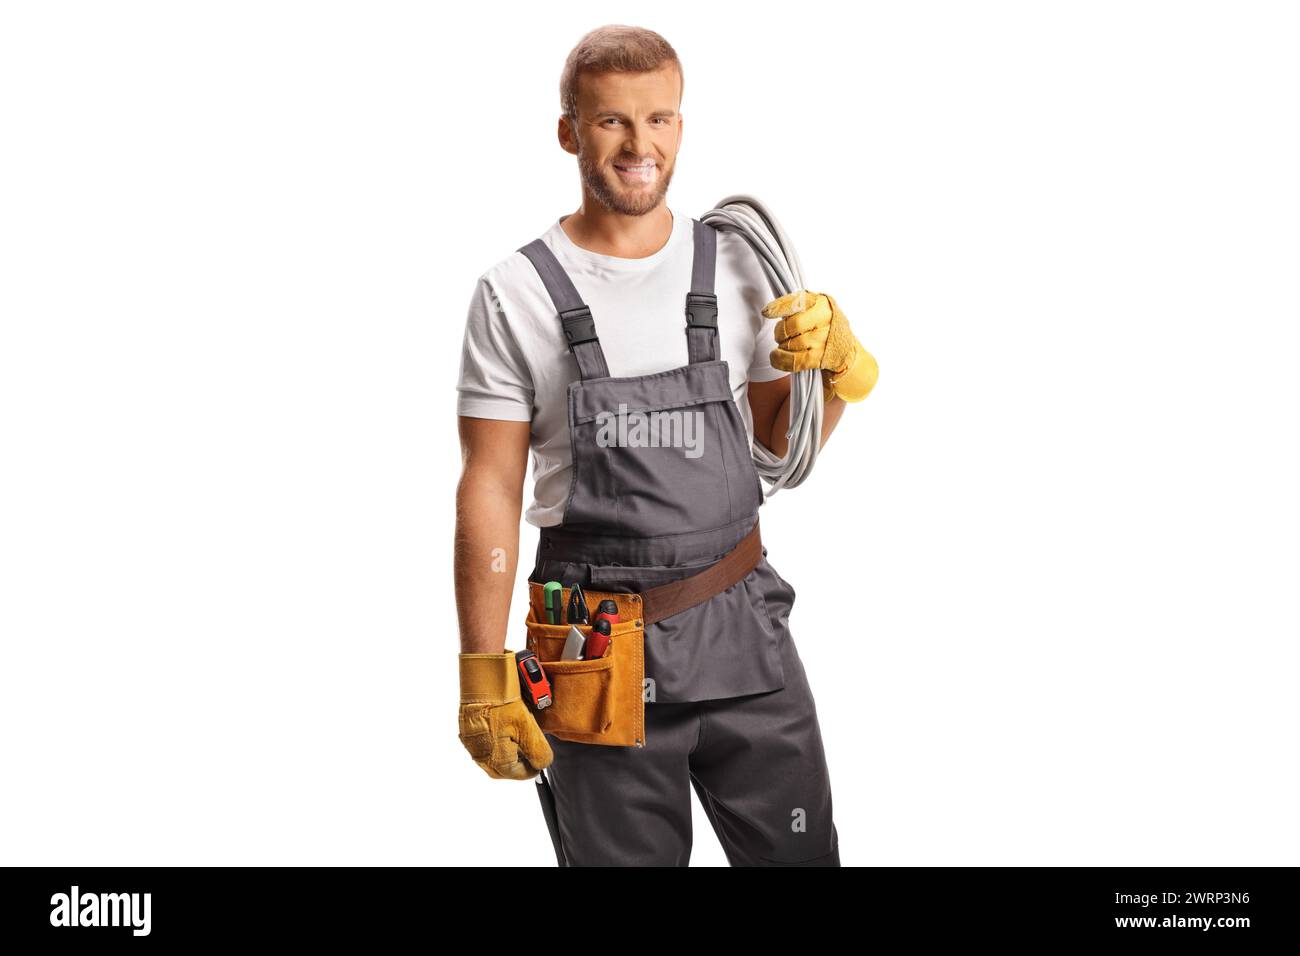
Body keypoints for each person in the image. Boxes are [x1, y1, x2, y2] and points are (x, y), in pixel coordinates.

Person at [454, 24, 877, 866]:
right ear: (571, 131)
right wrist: (480, 666)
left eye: (660, 119)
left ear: (681, 124)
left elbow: (773, 448)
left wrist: (843, 378)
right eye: (612, 122)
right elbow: (491, 485)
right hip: (596, 649)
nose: (639, 145)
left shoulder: (736, 265)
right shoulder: (514, 294)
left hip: (741, 628)